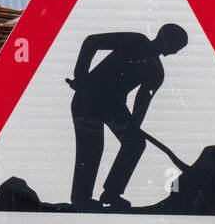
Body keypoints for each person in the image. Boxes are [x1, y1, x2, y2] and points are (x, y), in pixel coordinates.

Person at [67, 24, 188, 210]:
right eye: (177, 47)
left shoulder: (157, 73)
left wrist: (134, 126)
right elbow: (91, 42)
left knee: (135, 142)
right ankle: (81, 199)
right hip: (88, 99)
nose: (175, 52)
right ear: (169, 42)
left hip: (113, 107)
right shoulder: (136, 41)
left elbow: (142, 102)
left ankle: (112, 193)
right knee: (92, 146)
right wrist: (81, 77)